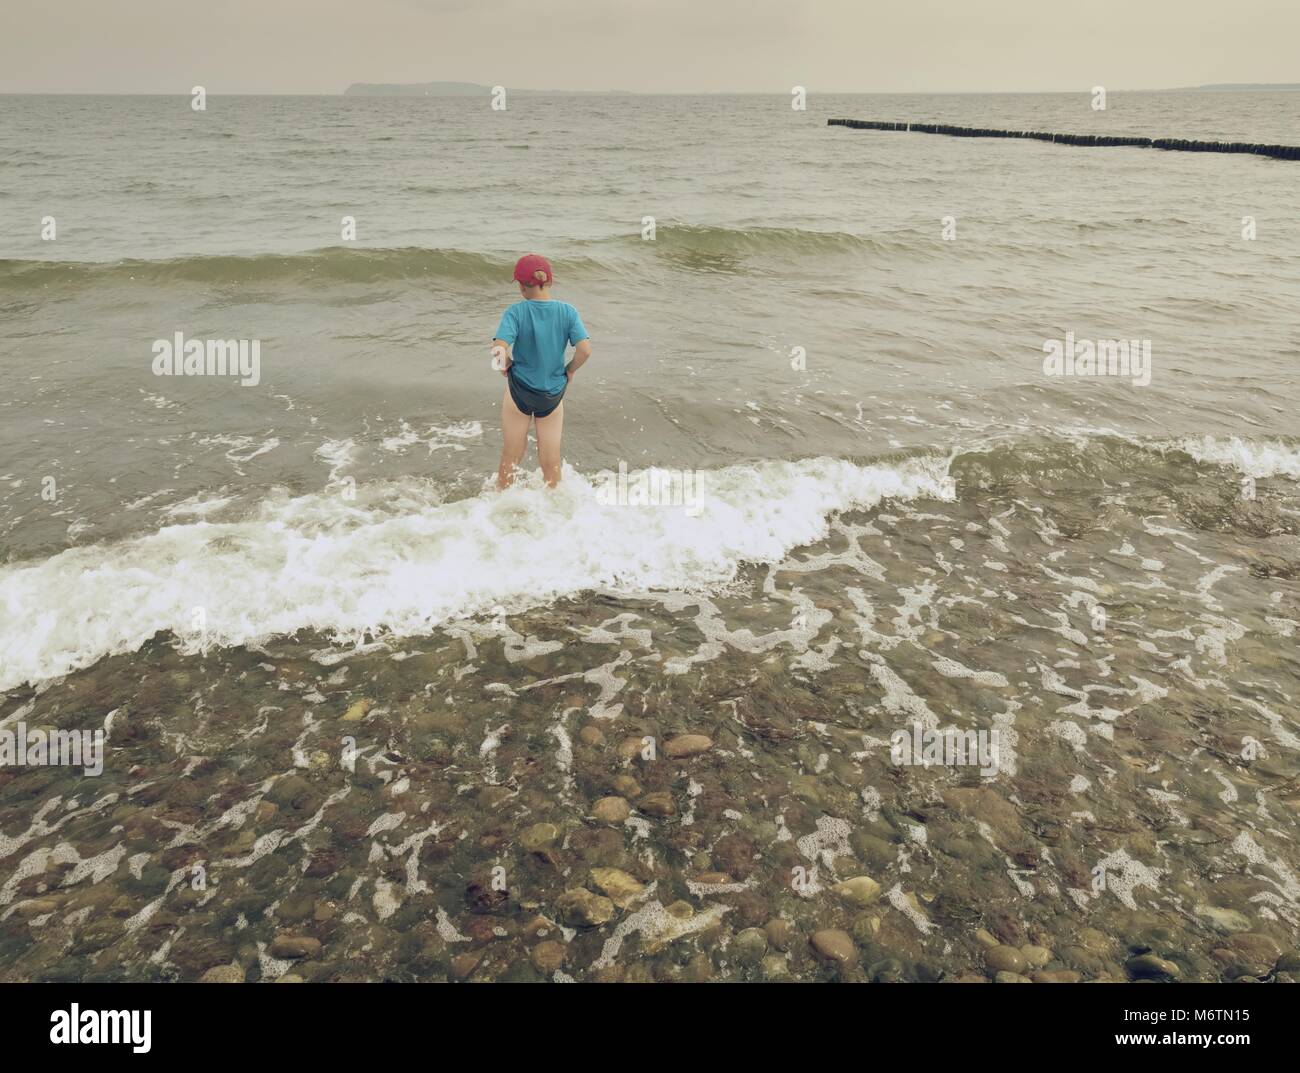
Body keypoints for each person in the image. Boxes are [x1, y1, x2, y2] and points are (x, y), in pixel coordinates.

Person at [491, 254, 592, 489]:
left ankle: (500, 506)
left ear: (521, 286)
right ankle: (553, 511)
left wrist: (504, 367)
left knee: (511, 455)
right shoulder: (568, 312)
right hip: (553, 395)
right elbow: (585, 350)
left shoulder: (516, 312)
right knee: (550, 460)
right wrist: (570, 370)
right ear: (550, 282)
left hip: (519, 391)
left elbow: (497, 349)